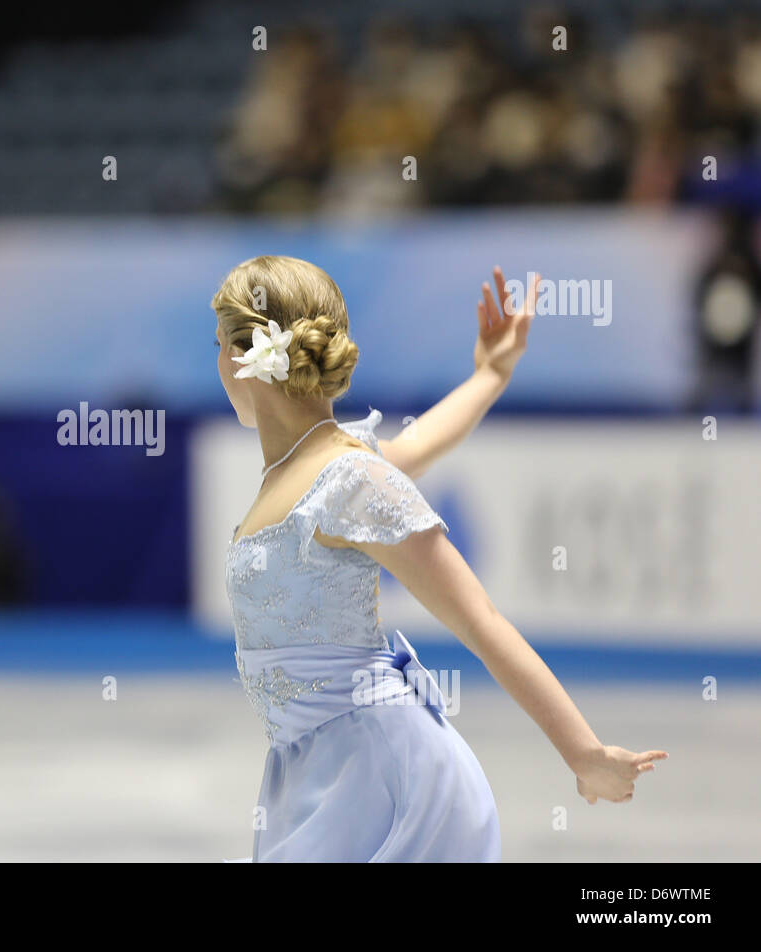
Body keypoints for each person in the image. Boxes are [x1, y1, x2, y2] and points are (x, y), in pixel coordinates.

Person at [213, 255, 666, 862]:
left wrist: (583, 754)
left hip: (382, 777)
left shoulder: (350, 480)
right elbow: (421, 442)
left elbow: (480, 621)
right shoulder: (312, 469)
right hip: (307, 776)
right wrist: (491, 374)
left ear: (241, 356)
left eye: (217, 344)